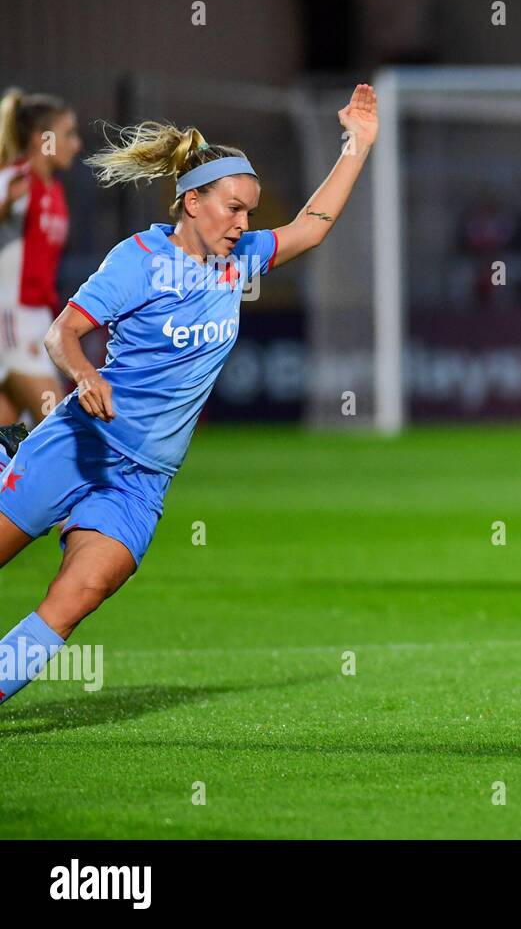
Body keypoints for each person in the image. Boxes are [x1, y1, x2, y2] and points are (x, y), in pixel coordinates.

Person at [0, 85, 378, 707]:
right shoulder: (138, 260)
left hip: (142, 481)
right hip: (83, 444)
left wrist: (357, 145)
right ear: (192, 200)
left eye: (250, 212)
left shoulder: (238, 261)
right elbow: (62, 332)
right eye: (233, 208)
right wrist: (85, 376)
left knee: (76, 598)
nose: (244, 224)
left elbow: (309, 229)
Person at [0, 89, 82, 427]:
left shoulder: (53, 189)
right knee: (59, 429)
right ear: (41, 138)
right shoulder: (15, 180)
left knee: (10, 436)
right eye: (68, 135)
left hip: (34, 322)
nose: (76, 144)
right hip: (10, 321)